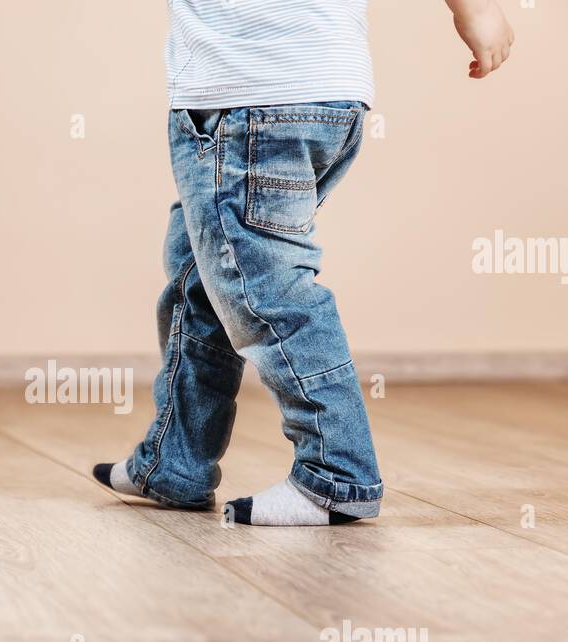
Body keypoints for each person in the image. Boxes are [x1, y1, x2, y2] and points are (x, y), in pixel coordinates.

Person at [93, 0, 514, 525]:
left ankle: (336, 474)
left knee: (265, 293)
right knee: (201, 283)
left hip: (252, 93)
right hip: (316, 92)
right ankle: (175, 462)